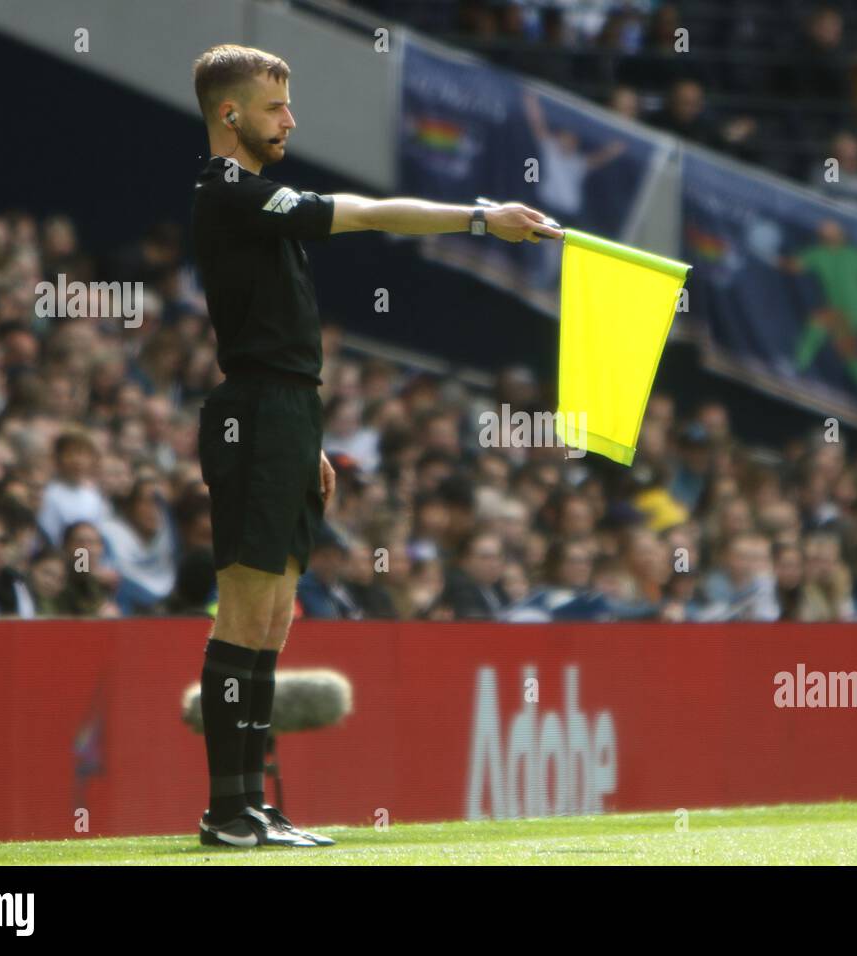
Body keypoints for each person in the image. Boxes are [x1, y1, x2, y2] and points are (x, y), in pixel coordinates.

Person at [189, 43, 560, 849]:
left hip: (287, 412)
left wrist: (304, 436)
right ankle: (227, 810)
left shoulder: (253, 198)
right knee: (245, 611)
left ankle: (253, 805)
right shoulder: (228, 192)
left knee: (276, 617)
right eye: (274, 105)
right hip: (256, 410)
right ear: (230, 114)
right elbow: (362, 213)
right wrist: (479, 217)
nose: (289, 118)